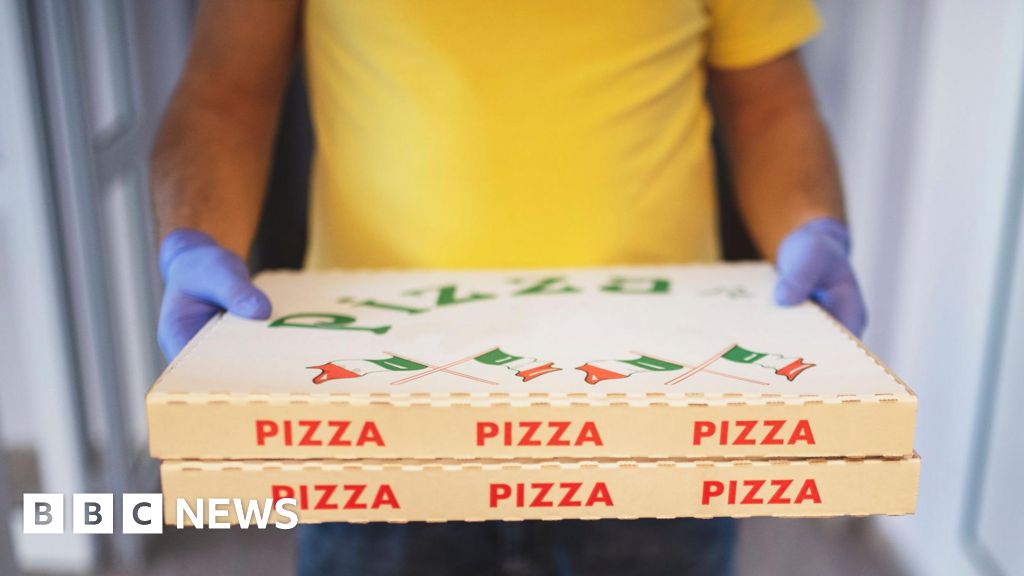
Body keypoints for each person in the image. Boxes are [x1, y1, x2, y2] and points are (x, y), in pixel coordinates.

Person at [151, 1, 866, 574]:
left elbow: (770, 104)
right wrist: (195, 240)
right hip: (379, 404)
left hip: (657, 404)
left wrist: (812, 227)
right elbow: (226, 91)